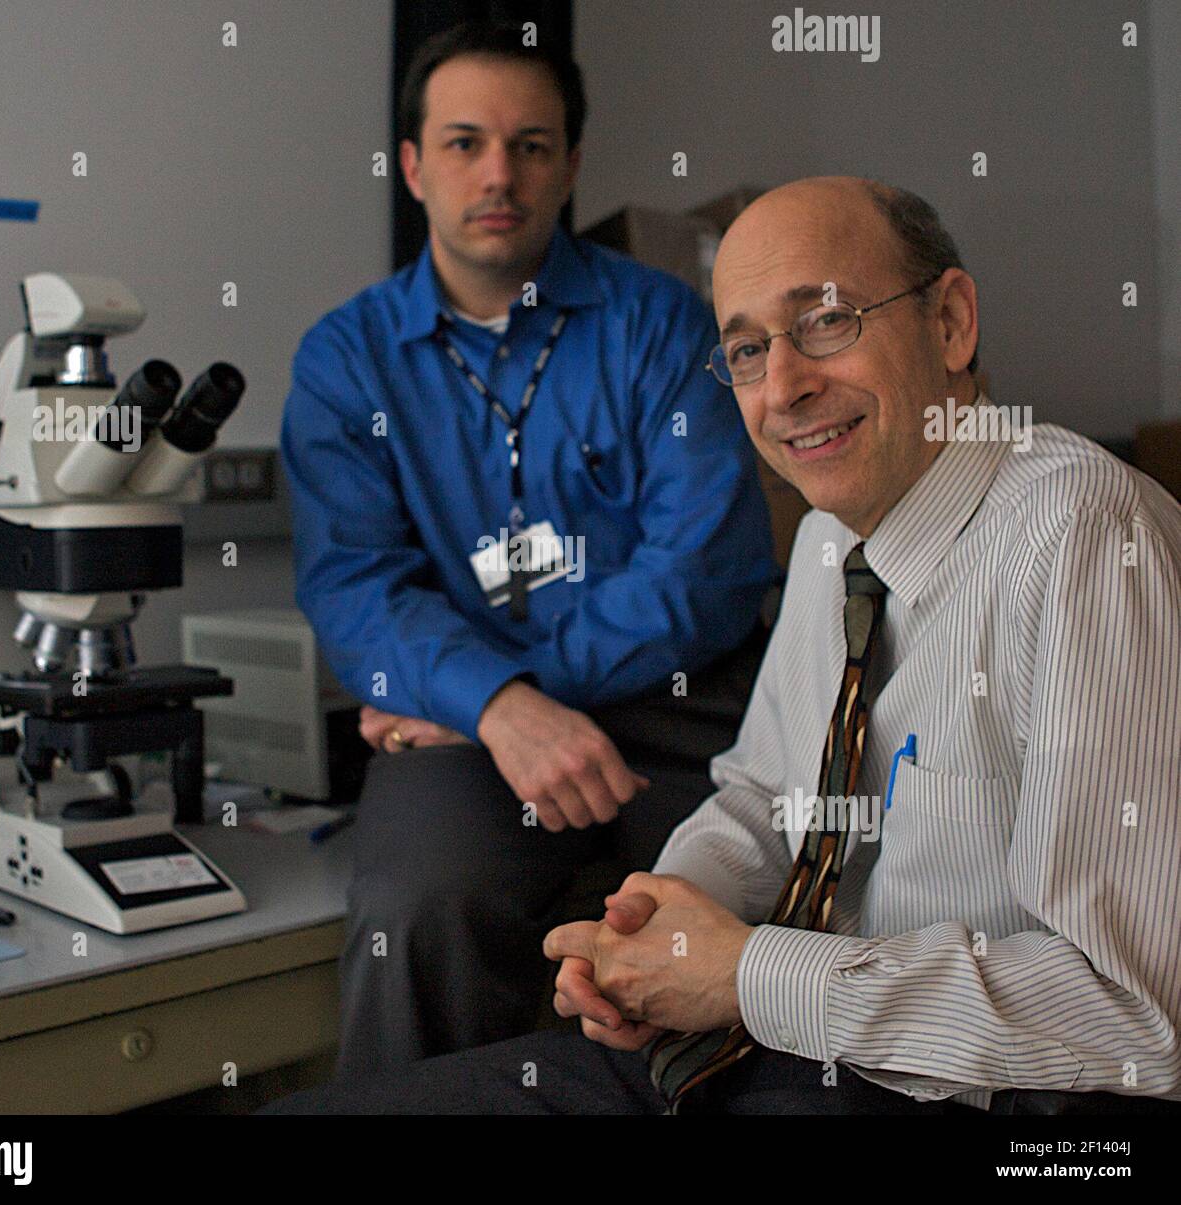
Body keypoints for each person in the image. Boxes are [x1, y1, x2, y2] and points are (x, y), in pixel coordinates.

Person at [263, 175, 1181, 1115]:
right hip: (787, 1049)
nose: (783, 388)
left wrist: (749, 973)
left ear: (949, 322)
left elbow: (1141, 1016)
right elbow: (762, 799)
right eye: (747, 350)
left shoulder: (1086, 542)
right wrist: (656, 924)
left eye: (826, 321)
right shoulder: (836, 535)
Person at [279, 22, 776, 1076]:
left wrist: (514, 694)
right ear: (413, 166)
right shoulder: (345, 360)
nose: (497, 173)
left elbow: (706, 573)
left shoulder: (663, 324)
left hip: (669, 704)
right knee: (415, 909)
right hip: (463, 726)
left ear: (571, 164)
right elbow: (356, 589)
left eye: (531, 145)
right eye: (464, 143)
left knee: (740, 917)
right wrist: (498, 711)